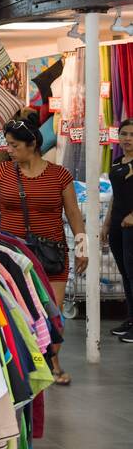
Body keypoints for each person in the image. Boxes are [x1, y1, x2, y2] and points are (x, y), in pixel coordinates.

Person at [0, 112, 89, 384]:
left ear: (32, 145)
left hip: (52, 254)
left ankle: (53, 362)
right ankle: (26, 363)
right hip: (12, 254)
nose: (9, 150)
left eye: (14, 145)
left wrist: (81, 246)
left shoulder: (59, 175)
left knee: (52, 309)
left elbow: (74, 213)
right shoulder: (2, 172)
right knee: (19, 309)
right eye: (7, 144)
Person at [102, 118, 133, 342]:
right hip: (117, 223)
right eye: (124, 134)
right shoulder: (117, 161)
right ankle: (131, 318)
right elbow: (115, 194)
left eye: (132, 135)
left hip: (131, 224)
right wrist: (106, 223)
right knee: (125, 273)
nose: (127, 139)